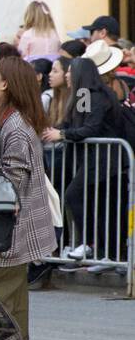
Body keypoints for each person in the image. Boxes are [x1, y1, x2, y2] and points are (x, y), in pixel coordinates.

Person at [0, 57, 55, 340]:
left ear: (6, 84)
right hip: (9, 231)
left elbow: (12, 184)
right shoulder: (11, 119)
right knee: (14, 305)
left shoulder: (16, 127)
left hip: (6, 233)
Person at [43, 56, 128, 267]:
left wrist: (61, 135)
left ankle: (96, 248)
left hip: (103, 161)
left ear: (81, 74)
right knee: (96, 205)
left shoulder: (91, 95)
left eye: (71, 71)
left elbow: (90, 128)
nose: (67, 74)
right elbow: (73, 121)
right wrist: (57, 130)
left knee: (78, 197)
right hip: (95, 161)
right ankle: (98, 250)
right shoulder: (83, 95)